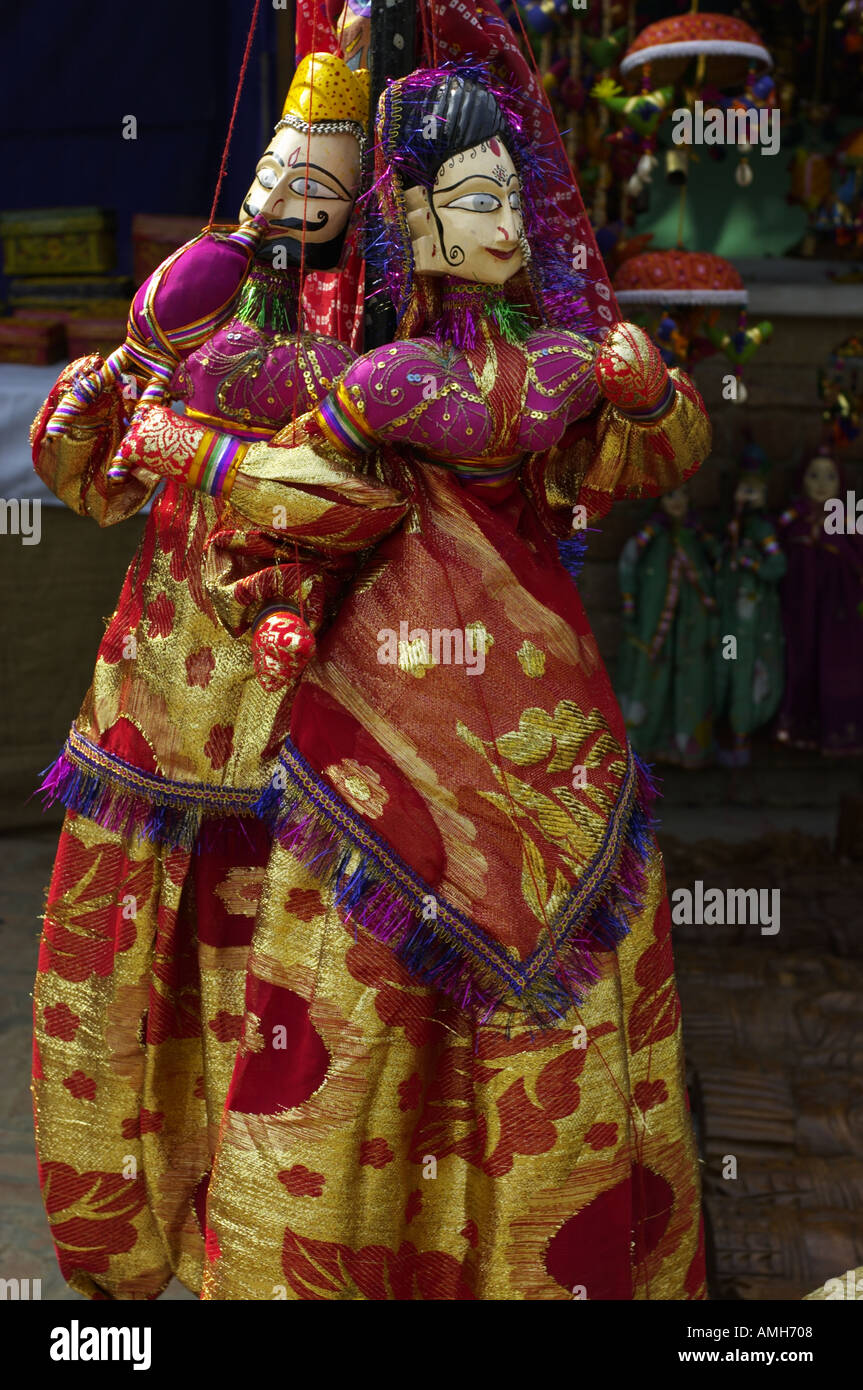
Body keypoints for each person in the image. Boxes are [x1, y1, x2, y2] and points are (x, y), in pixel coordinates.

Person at [116, 67, 711, 1300]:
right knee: (354, 1015)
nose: (507, 228)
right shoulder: (377, 384)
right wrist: (215, 468)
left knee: (544, 1013)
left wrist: (652, 393)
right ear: (414, 223)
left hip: (549, 738)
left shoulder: (557, 367)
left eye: (512, 203)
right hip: (376, 729)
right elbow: (306, 508)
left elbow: (652, 456)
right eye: (475, 202)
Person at [30, 53, 408, 1300]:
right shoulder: (205, 295)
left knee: (282, 1006)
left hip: (301, 715)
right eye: (271, 171)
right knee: (119, 1001)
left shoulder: (377, 333)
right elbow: (88, 481)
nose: (287, 195)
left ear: (363, 203)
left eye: (318, 180)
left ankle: (263, 1259)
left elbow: (361, 503)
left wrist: (198, 451)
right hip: (156, 697)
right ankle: (120, 1242)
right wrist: (89, 411)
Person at [617, 486, 719, 770]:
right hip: (654, 623)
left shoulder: (696, 537)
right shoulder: (650, 538)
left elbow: (721, 563)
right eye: (671, 495)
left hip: (691, 625)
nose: (677, 502)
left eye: (684, 495)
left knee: (691, 681)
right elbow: (629, 561)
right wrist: (631, 609)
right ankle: (640, 747)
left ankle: (687, 745)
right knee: (649, 677)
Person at [777, 452, 863, 755]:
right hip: (800, 607)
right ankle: (800, 728)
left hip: (839, 613)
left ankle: (841, 731)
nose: (822, 484)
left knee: (837, 665)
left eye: (830, 476)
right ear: (801, 480)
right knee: (802, 662)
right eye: (814, 475)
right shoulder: (793, 519)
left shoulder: (850, 521)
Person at [714, 443, 786, 767]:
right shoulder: (735, 527)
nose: (748, 496)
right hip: (728, 617)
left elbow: (778, 565)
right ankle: (725, 737)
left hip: (750, 619)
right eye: (744, 489)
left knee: (744, 674)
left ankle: (741, 743)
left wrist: (750, 564)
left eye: (754, 491)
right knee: (725, 671)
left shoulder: (762, 529)